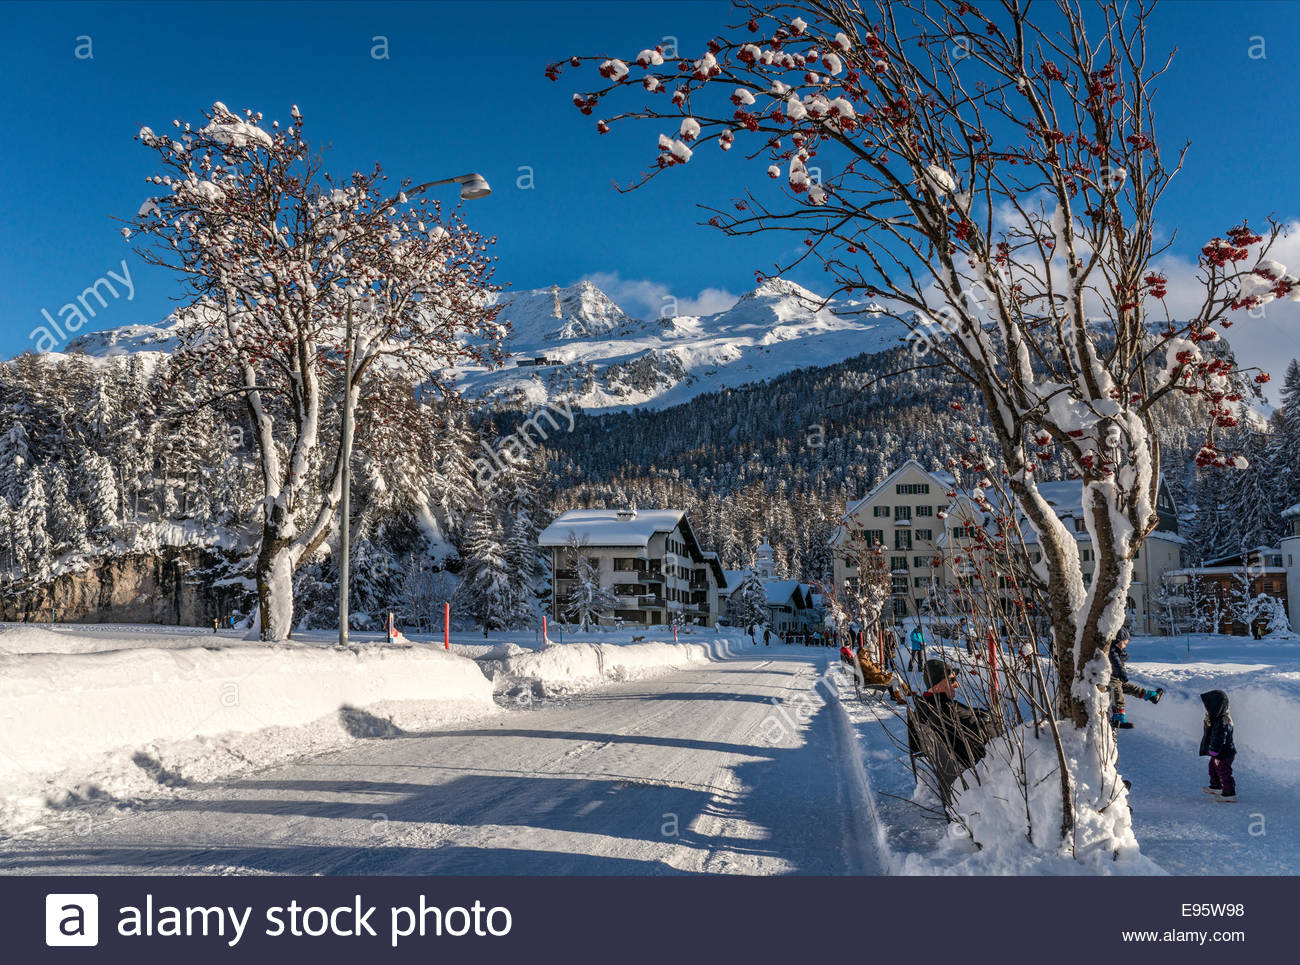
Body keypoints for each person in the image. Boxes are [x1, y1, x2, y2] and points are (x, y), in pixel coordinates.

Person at [912, 659, 1001, 774]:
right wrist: (992, 721)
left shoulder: (925, 707)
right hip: (978, 774)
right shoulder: (946, 711)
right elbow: (990, 742)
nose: (957, 684)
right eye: (952, 680)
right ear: (938, 683)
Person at [1108, 628, 1162, 729]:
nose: (1125, 646)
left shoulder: (1117, 650)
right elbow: (1117, 664)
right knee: (1117, 694)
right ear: (1117, 641)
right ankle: (1119, 719)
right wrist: (1122, 674)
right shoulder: (1113, 651)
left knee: (1130, 688)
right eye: (1124, 643)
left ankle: (1152, 696)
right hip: (1114, 677)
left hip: (1116, 677)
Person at [1199, 690, 1237, 802]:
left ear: (1217, 706)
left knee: (1224, 772)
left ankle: (1229, 793)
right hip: (1219, 752)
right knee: (1213, 768)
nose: (1207, 709)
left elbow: (1220, 738)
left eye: (1209, 706)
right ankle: (1217, 786)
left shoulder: (1222, 721)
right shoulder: (1216, 718)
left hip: (1224, 753)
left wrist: (1214, 750)